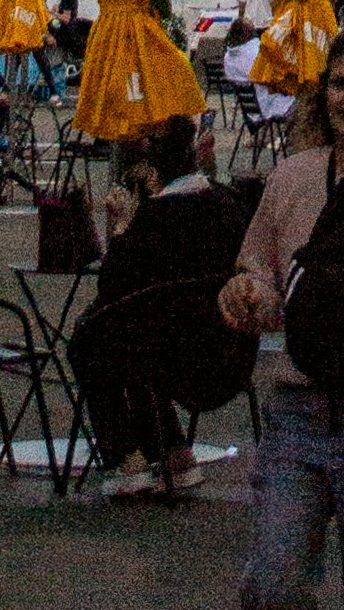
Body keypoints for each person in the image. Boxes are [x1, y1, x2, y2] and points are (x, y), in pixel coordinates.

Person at [215, 27, 344, 599]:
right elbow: (258, 271)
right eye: (340, 83)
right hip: (295, 417)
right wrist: (245, 293)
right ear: (323, 93)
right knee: (274, 583)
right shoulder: (292, 178)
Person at [70, 112, 253, 505]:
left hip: (171, 358)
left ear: (152, 168)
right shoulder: (226, 202)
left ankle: (126, 458)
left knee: (90, 340)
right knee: (136, 333)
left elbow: (113, 290)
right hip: (229, 350)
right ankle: (174, 452)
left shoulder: (154, 217)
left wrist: (120, 229)